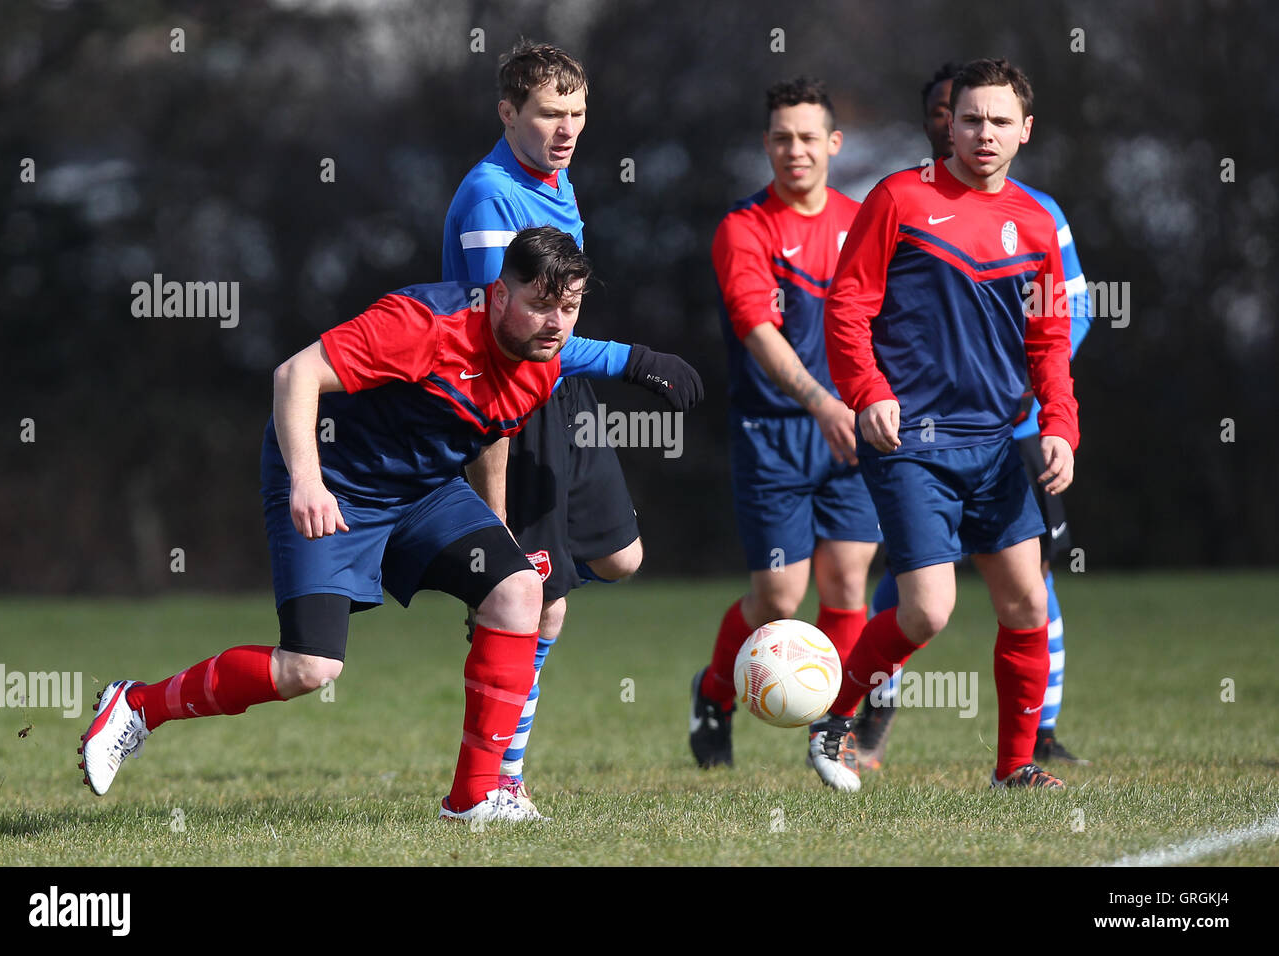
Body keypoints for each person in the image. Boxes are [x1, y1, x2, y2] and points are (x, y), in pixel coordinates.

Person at [81, 227, 615, 823]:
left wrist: (496, 524)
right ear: (496, 297)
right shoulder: (420, 325)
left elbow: (491, 430)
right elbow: (294, 376)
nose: (556, 322)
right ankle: (138, 706)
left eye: (568, 308)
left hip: (423, 491)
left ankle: (476, 797)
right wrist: (306, 480)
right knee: (309, 668)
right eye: (541, 304)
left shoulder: (542, 363)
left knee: (518, 590)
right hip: (335, 479)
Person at [443, 41, 702, 811]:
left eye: (577, 115)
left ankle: (508, 608)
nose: (566, 129)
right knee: (542, 598)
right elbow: (513, 335)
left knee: (622, 556)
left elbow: (554, 321)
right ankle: (498, 781)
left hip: (562, 396)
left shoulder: (557, 180)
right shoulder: (490, 195)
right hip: (513, 399)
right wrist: (632, 358)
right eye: (549, 114)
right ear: (507, 113)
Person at [818, 58, 1079, 792]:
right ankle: (835, 721)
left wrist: (1058, 423)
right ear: (948, 124)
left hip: (996, 444)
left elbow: (1049, 340)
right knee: (928, 610)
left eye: (1000, 121)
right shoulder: (900, 198)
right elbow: (847, 308)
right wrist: (867, 390)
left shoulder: (1035, 220)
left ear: (1025, 130)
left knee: (1027, 600)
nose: (984, 133)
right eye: (971, 119)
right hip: (910, 443)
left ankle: (1014, 768)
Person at [688, 77, 880, 769]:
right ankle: (714, 692)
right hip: (775, 433)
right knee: (779, 596)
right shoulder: (745, 228)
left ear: (833, 143)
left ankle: (832, 730)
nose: (794, 150)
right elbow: (758, 333)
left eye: (807, 137)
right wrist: (820, 402)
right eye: (780, 137)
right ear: (765, 145)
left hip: (853, 432)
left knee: (849, 585)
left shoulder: (863, 224)